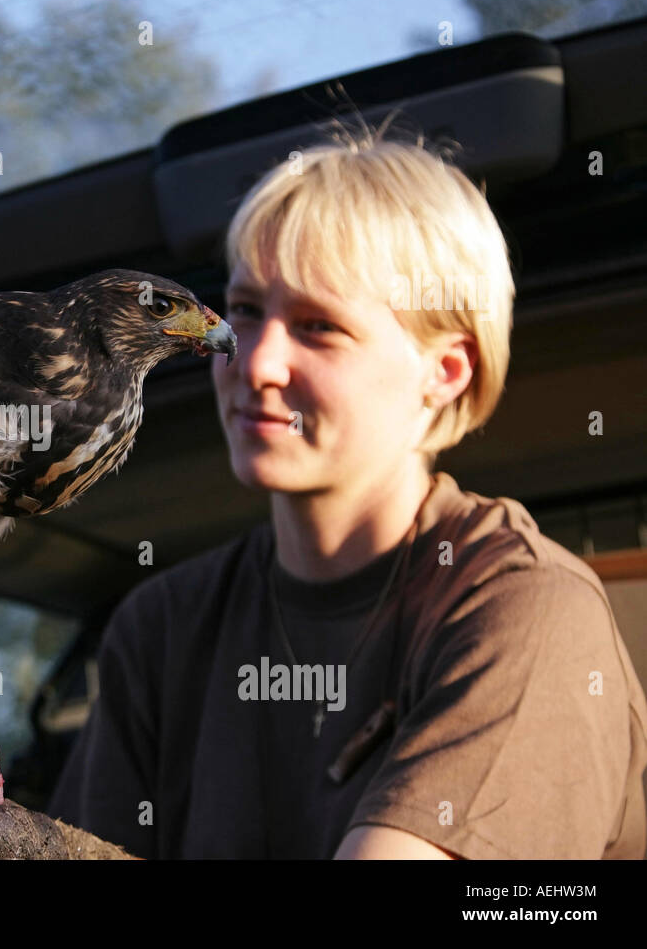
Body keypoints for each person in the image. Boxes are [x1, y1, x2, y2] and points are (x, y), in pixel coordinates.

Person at [44, 126, 647, 859]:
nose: (256, 361)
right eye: (243, 309)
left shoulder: (526, 608)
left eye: (319, 327)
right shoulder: (161, 629)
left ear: (446, 371)